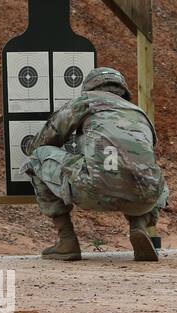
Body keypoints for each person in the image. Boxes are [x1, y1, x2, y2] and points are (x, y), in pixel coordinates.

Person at [23, 67, 169, 261]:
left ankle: (67, 241)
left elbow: (47, 138)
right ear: (123, 91)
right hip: (144, 199)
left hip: (94, 190)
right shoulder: (140, 114)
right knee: (150, 174)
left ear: (90, 87)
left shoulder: (87, 101)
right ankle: (139, 226)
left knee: (37, 157)